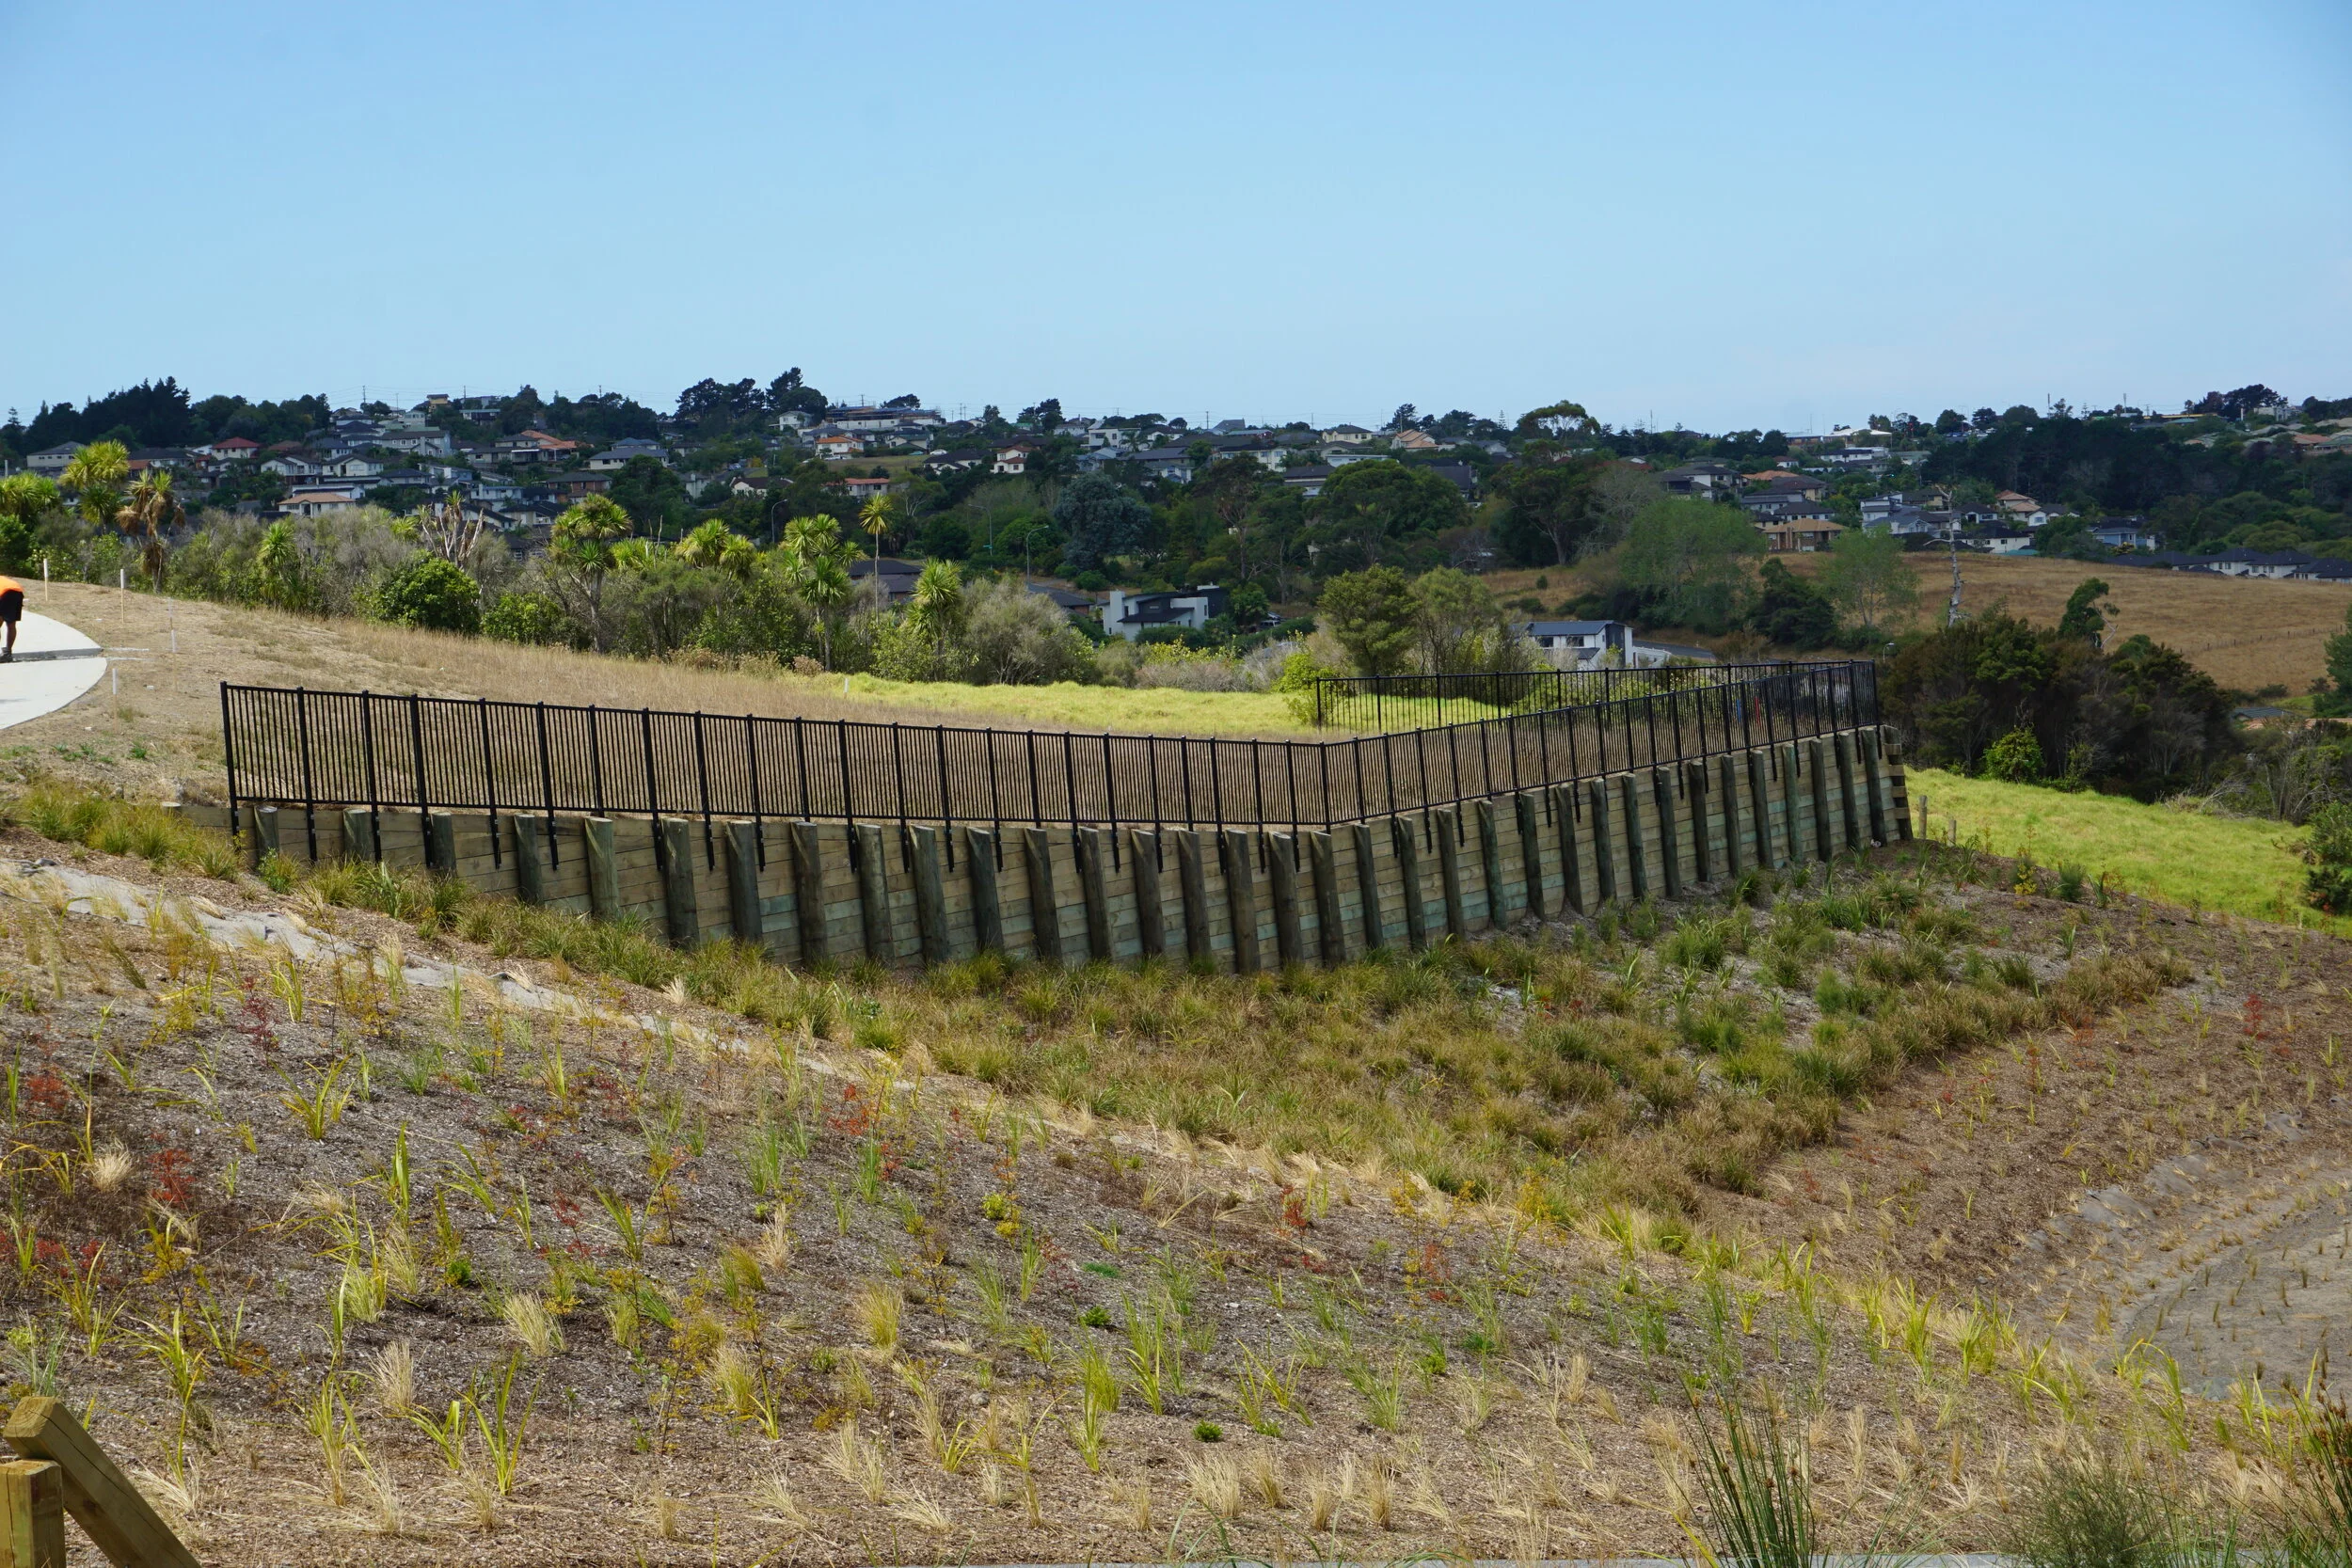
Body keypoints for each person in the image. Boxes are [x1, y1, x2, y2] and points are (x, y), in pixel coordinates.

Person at [0, 575, 20, 662]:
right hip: (17, 591)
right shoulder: (2, 578)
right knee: (11, 624)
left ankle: (7, 654)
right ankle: (8, 652)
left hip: (5, 593)